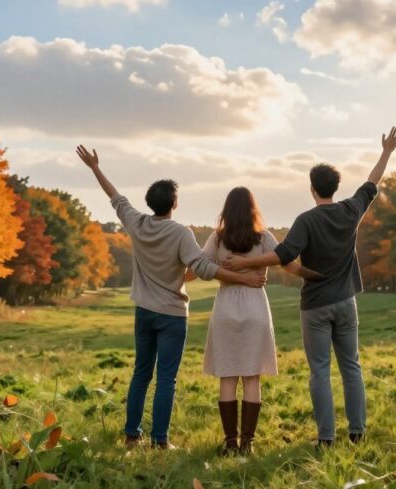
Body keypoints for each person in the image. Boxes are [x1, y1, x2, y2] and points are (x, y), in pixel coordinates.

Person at [76, 145, 267, 450]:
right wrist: (244, 277)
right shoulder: (181, 233)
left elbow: (115, 198)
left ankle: (131, 434)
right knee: (166, 379)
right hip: (172, 315)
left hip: (144, 311)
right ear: (174, 204)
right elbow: (203, 268)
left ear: (150, 203)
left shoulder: (135, 223)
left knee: (141, 374)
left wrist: (95, 168)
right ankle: (160, 441)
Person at [223, 126, 396, 447]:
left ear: (312, 189)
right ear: (336, 187)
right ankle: (357, 432)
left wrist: (244, 263)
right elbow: (372, 183)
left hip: (316, 306)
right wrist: (386, 152)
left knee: (320, 371)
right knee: (351, 366)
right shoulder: (351, 209)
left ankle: (326, 439)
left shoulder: (306, 220)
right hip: (347, 302)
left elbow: (283, 255)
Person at [189, 187, 322, 454]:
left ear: (226, 210)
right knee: (252, 378)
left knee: (227, 377)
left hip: (226, 306)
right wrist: (319, 276)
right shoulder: (263, 238)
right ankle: (247, 444)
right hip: (255, 307)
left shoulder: (217, 239)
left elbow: (200, 268)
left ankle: (230, 443)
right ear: (253, 209)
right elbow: (289, 263)